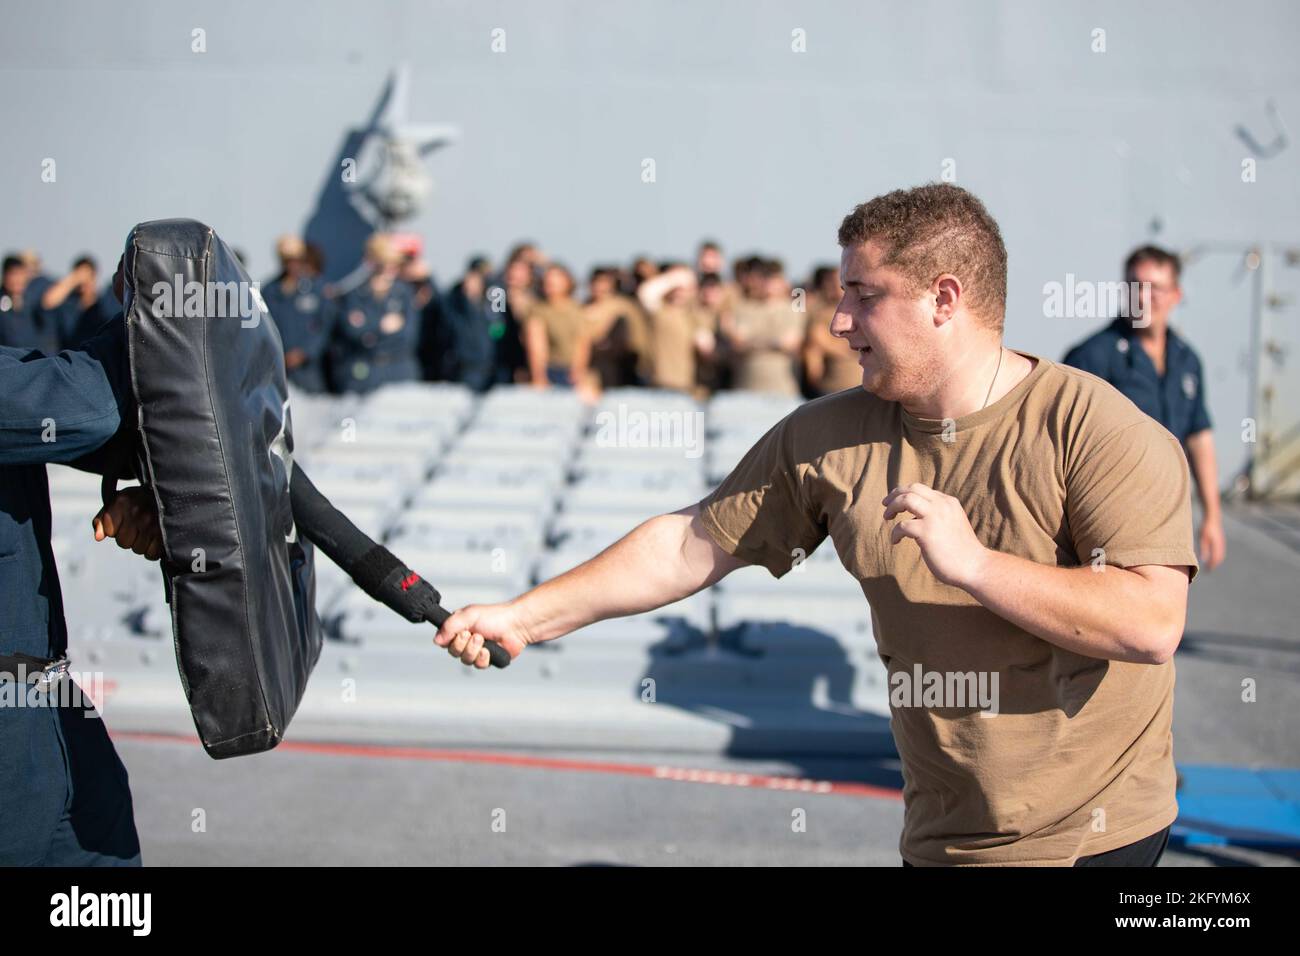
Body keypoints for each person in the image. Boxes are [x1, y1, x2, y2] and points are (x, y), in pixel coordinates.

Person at [435, 183, 1198, 868]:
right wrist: (524, 618)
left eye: (863, 295)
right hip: (945, 836)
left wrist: (976, 565)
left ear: (944, 299)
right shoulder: (827, 435)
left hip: (1095, 834)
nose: (837, 322)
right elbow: (687, 544)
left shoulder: (1097, 429)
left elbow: (1151, 622)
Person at [0, 259, 163, 865]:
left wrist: (160, 494)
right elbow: (81, 403)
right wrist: (162, 309)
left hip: (46, 697)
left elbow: (96, 430)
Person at [1062, 246, 1226, 571]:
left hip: (1168, 517)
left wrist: (1212, 517)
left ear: (1176, 294)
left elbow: (1198, 436)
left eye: (1155, 288)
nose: (1144, 297)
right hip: (1109, 518)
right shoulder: (1092, 358)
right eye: (1136, 286)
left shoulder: (1187, 360)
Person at [326, 234, 421, 394]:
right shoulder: (355, 294)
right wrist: (382, 327)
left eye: (394, 264)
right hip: (365, 372)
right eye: (384, 264)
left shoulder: (403, 293)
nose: (389, 269)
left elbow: (408, 335)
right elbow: (352, 332)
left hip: (398, 370)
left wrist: (370, 329)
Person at [720, 258, 805, 395]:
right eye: (764, 278)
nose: (768, 283)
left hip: (782, 391)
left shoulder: (793, 309)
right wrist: (773, 343)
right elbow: (736, 343)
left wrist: (750, 343)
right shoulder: (742, 308)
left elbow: (790, 343)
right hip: (745, 390)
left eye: (773, 278)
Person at [260, 236, 330, 393]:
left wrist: (305, 352)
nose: (293, 265)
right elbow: (263, 326)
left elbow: (325, 326)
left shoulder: (316, 289)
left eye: (297, 260)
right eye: (288, 260)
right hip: (279, 366)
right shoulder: (270, 290)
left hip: (309, 369)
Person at [636, 265, 716, 397]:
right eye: (676, 288)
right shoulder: (659, 311)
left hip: (685, 386)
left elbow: (707, 347)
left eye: (683, 288)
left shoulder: (694, 316)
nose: (679, 291)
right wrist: (674, 278)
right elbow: (647, 293)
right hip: (658, 383)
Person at [522, 263, 592, 392]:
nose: (551, 283)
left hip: (573, 373)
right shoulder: (539, 311)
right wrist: (539, 376)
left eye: (556, 279)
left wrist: (579, 369)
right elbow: (537, 347)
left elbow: (583, 342)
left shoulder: (577, 309)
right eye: (548, 280)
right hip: (551, 371)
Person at [802, 263, 862, 396]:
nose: (834, 286)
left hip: (861, 385)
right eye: (832, 281)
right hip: (832, 386)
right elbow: (815, 342)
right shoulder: (820, 312)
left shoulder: (864, 309)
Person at [0, 254, 61, 354]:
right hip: (10, 361)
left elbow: (51, 299)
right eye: (13, 274)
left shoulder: (35, 295)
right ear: (5, 276)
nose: (17, 279)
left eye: (21, 274)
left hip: (38, 359)